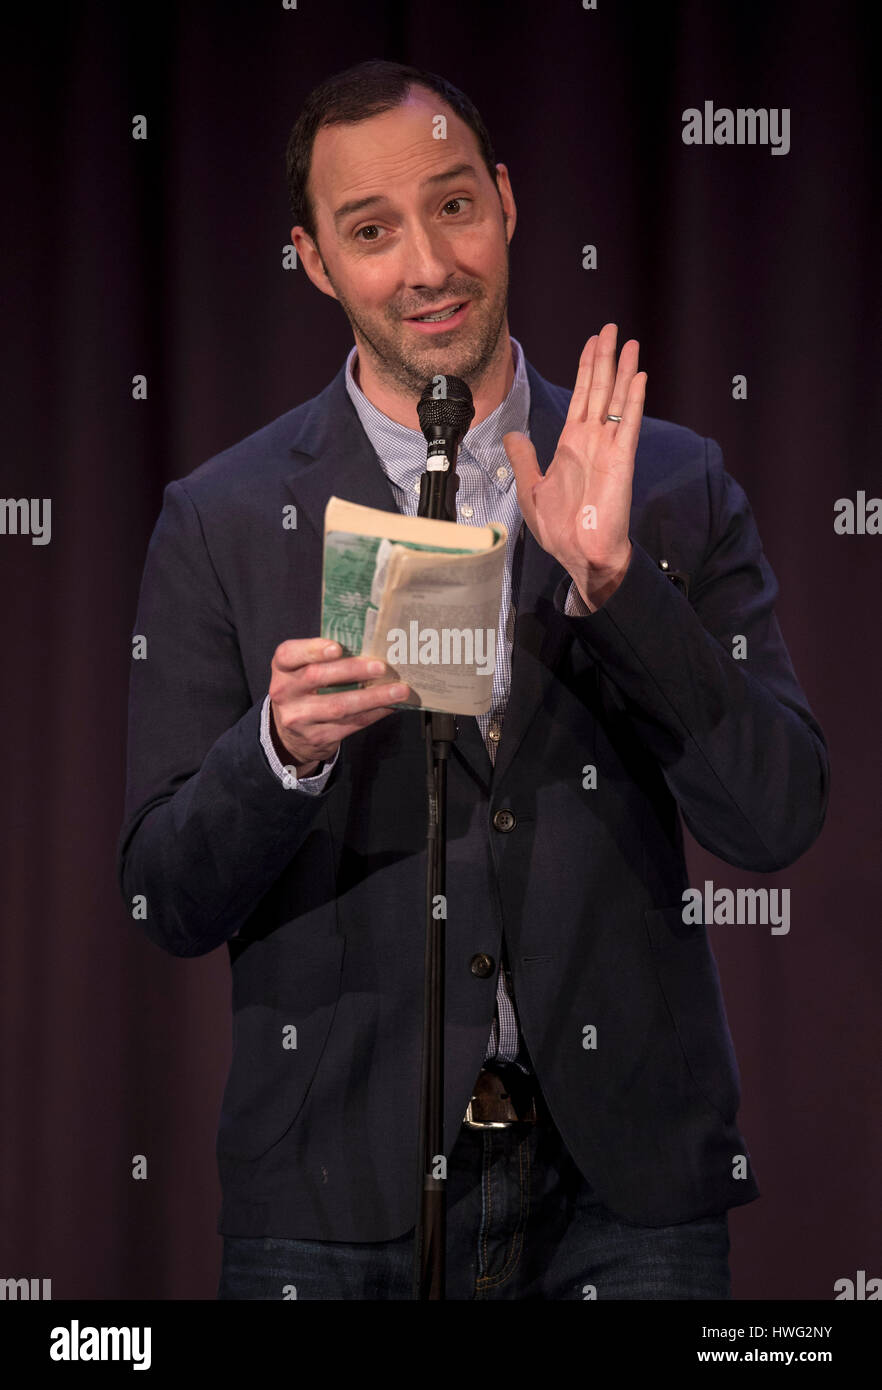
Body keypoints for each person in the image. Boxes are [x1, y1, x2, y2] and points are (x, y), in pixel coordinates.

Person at [117, 59, 829, 1300]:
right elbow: (162, 897)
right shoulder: (221, 518)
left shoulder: (669, 483)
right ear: (316, 261)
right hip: (335, 1195)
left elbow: (778, 816)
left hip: (626, 1196)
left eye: (453, 206)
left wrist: (625, 597)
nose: (428, 267)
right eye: (371, 231)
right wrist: (278, 749)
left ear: (505, 202)